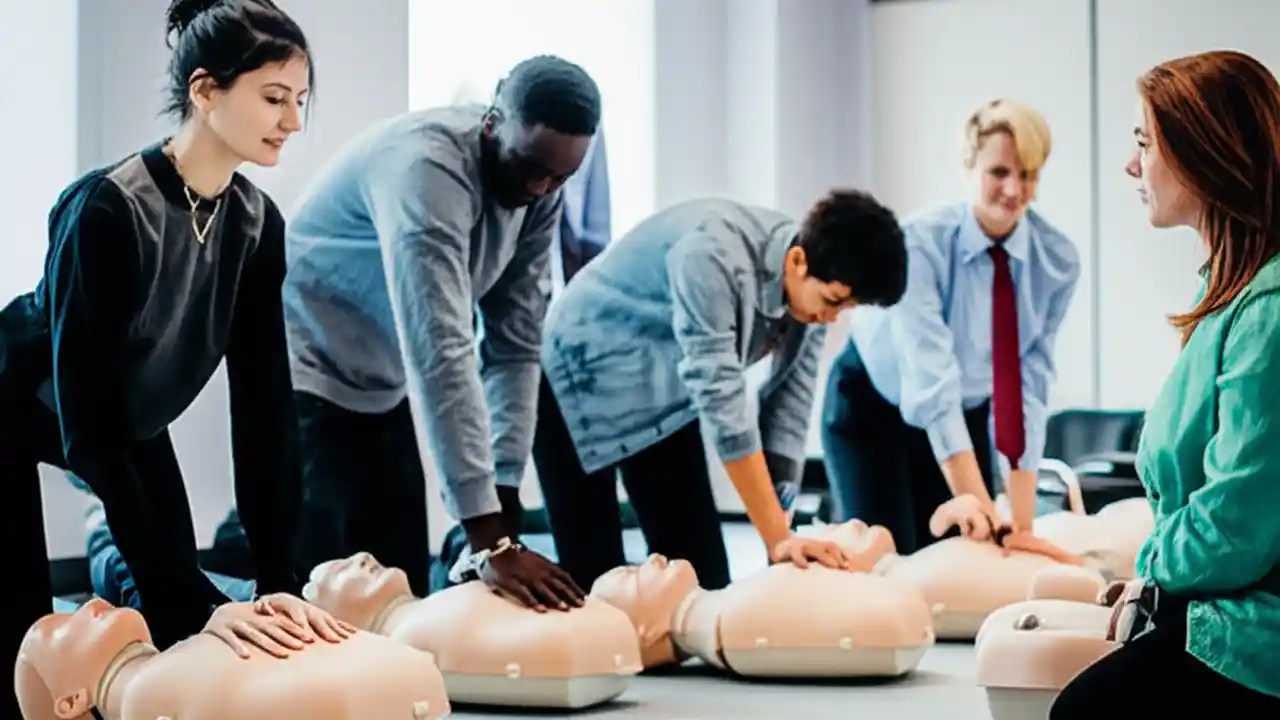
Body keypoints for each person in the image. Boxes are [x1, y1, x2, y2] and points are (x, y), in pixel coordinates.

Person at [0, 0, 339, 713]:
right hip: (21, 405)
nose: (293, 122)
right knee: (25, 642)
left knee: (179, 605)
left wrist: (278, 579)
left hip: (125, 420)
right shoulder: (104, 209)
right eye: (274, 98)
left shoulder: (255, 224)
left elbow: (265, 406)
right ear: (206, 91)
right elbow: (90, 430)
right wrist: (193, 592)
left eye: (300, 100)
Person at [283, 55, 601, 610]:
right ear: (491, 123)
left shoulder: (543, 189)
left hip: (384, 380)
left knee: (399, 587)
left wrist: (503, 499)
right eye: (530, 166)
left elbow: (517, 344)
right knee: (304, 591)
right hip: (304, 366)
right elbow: (442, 348)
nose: (540, 186)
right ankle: (122, 557)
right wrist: (489, 540)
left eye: (559, 177)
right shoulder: (424, 171)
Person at [1050, 50, 1280, 717]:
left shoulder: (1265, 311)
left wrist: (1153, 570)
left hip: (1256, 635)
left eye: (1145, 143)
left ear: (1204, 156)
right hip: (1218, 597)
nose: (1132, 165)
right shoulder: (1226, 296)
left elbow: (1240, 523)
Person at [534, 191, 908, 591]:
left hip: (664, 395)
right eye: (833, 301)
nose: (831, 317)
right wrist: (778, 539)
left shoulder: (811, 295)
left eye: (846, 308)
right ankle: (475, 560)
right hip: (575, 375)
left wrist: (780, 528)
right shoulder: (711, 254)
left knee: (704, 583)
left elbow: (789, 406)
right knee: (592, 583)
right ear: (798, 261)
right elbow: (722, 401)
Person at [822, 98, 1081, 555]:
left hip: (965, 410)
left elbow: (1028, 388)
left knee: (971, 554)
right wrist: (984, 510)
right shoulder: (921, 243)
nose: (1014, 190)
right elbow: (930, 376)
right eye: (999, 172)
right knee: (888, 556)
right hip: (874, 405)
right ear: (969, 166)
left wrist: (1018, 526)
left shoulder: (1056, 261)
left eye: (1028, 174)